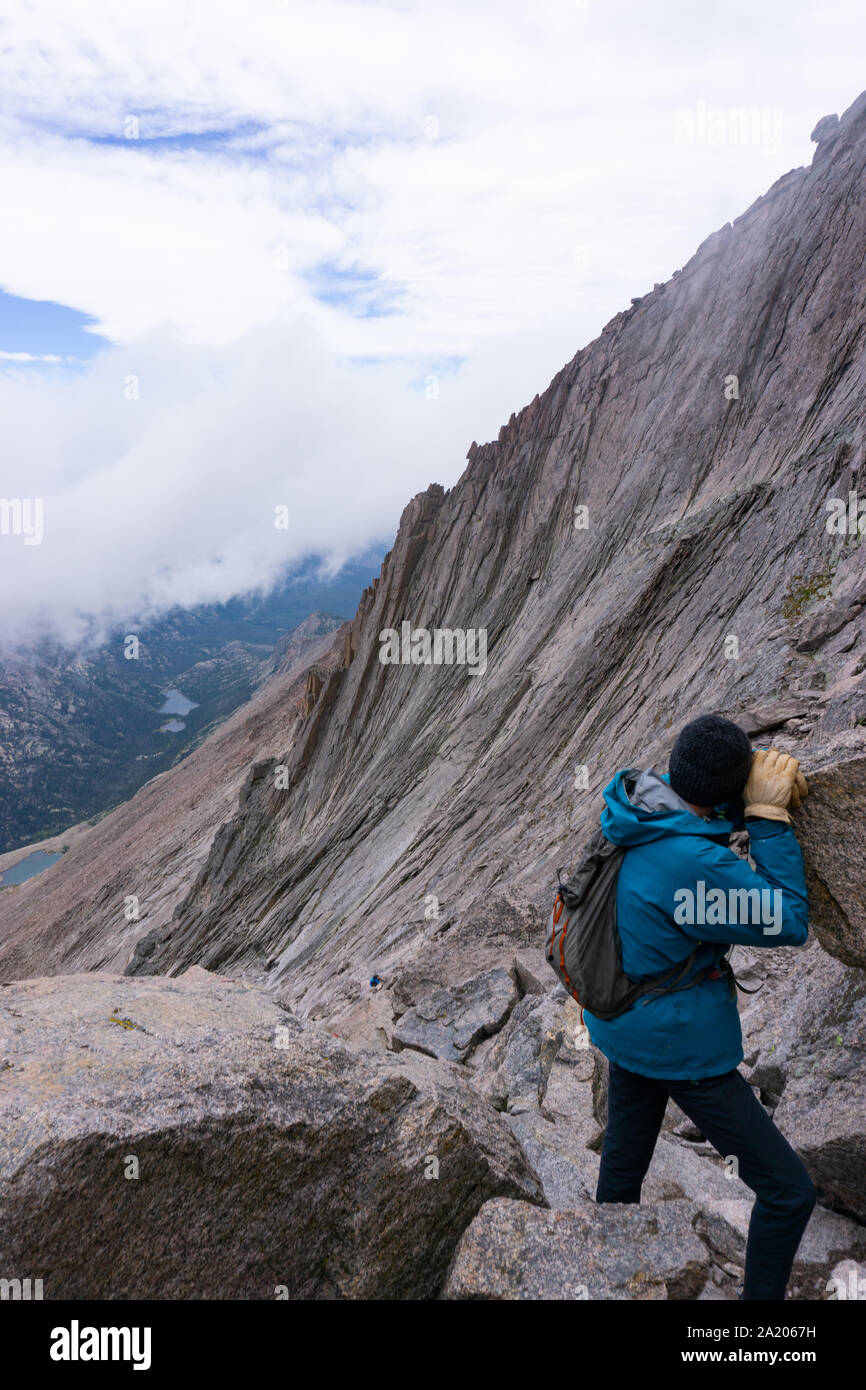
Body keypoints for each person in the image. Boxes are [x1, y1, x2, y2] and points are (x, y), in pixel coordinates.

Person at [584, 713, 815, 1301]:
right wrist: (766, 820)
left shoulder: (639, 804)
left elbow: (699, 823)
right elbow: (786, 921)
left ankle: (598, 1271)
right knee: (788, 1192)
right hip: (674, 1041)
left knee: (623, 1163)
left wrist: (738, 805)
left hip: (619, 1019)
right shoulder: (696, 869)